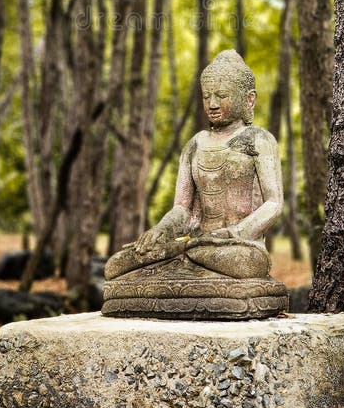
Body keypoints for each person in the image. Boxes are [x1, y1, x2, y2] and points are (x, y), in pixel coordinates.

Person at [105, 49, 283, 282]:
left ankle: (182, 261)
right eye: (207, 96)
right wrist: (161, 230)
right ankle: (183, 260)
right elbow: (182, 208)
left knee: (238, 261)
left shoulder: (258, 139)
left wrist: (232, 233)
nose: (213, 104)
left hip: (239, 247)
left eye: (222, 95)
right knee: (115, 265)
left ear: (249, 99)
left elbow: (274, 203)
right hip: (194, 240)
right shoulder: (194, 144)